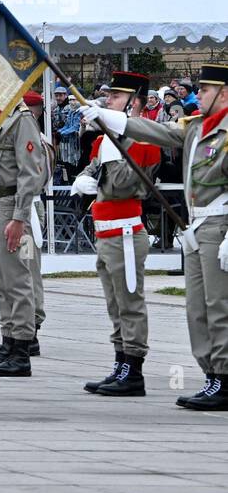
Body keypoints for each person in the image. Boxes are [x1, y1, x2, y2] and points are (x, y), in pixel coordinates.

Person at [91, 63, 228, 409]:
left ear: (224, 93)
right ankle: (212, 375)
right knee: (197, 308)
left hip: (220, 225)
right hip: (197, 226)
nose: (200, 96)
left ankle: (225, 378)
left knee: (219, 306)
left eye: (207, 90)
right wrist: (112, 120)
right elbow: (156, 131)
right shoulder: (196, 128)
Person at [69, 72, 162, 397]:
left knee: (129, 302)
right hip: (105, 230)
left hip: (125, 230)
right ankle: (120, 361)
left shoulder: (142, 140)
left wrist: (101, 169)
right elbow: (91, 170)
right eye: (109, 96)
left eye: (116, 97)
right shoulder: (105, 139)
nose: (108, 101)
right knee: (114, 303)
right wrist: (84, 178)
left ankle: (133, 368)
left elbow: (125, 183)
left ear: (134, 102)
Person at [0, 93, 48, 378]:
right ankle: (8, 343)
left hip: (8, 206)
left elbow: (30, 173)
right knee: (1, 283)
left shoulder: (22, 119)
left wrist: (20, 217)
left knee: (18, 281)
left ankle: (22, 349)